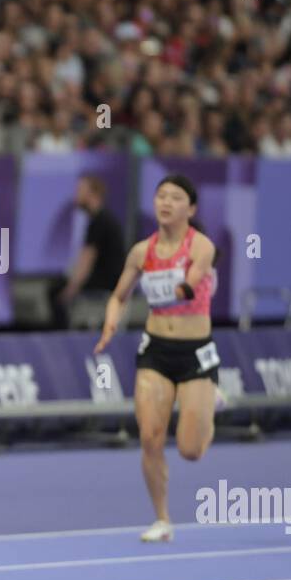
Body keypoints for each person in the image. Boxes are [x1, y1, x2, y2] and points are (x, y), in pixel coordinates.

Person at [95, 174, 218, 542]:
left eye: (176, 197)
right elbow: (119, 296)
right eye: (160, 196)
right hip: (156, 351)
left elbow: (191, 283)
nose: (166, 203)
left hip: (195, 352)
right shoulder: (140, 252)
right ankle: (162, 519)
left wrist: (171, 287)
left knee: (191, 451)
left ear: (190, 208)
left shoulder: (202, 246)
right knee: (150, 437)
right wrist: (110, 324)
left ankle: (212, 401)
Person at [51, 174, 126, 329]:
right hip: (111, 280)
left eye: (80, 190)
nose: (76, 195)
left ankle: (62, 338)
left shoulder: (99, 222)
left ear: (93, 193)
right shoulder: (104, 219)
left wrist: (70, 291)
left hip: (107, 282)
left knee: (55, 292)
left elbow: (86, 263)